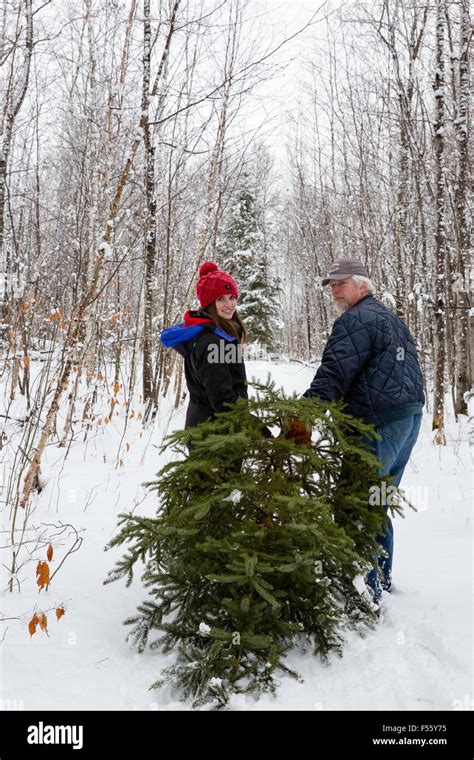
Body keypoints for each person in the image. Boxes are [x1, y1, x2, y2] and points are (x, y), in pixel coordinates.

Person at [302, 258, 425, 603]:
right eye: (332, 285)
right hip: (407, 420)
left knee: (357, 505)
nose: (335, 291)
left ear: (362, 284)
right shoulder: (390, 319)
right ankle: (380, 581)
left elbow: (334, 373)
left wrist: (303, 414)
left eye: (341, 284)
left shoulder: (355, 320)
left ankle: (363, 594)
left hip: (379, 424)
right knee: (377, 501)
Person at [160, 262, 249, 435]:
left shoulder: (223, 337)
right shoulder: (213, 344)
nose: (229, 304)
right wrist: (261, 432)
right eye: (221, 299)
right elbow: (225, 404)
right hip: (214, 439)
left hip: (218, 434)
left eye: (232, 297)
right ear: (209, 304)